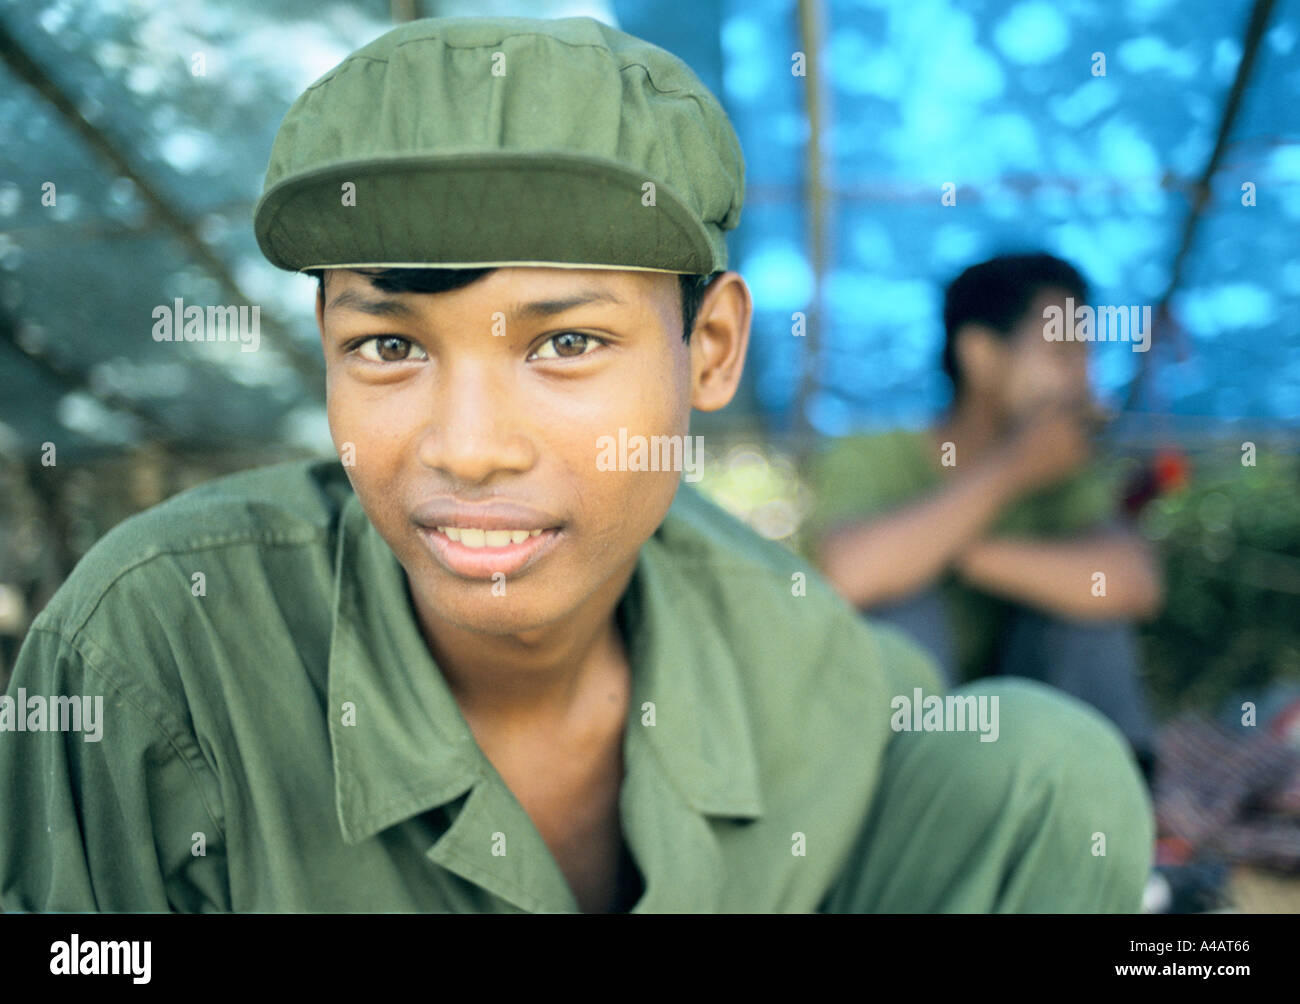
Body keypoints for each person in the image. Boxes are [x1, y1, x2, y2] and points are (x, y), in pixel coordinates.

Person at [0, 19, 1152, 913]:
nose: (468, 445)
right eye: (387, 346)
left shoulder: (793, 650)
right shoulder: (153, 649)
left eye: (565, 341)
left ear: (708, 350)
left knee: (1047, 763)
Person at [806, 253, 1162, 777]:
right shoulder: (871, 456)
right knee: (898, 609)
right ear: (980, 356)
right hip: (910, 773)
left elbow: (1133, 584)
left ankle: (1107, 821)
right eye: (1063, 352)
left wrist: (955, 553)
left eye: (1089, 354)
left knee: (1087, 613)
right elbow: (845, 574)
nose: (1084, 379)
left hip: (1033, 757)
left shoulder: (1067, 477)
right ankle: (912, 822)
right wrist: (1013, 467)